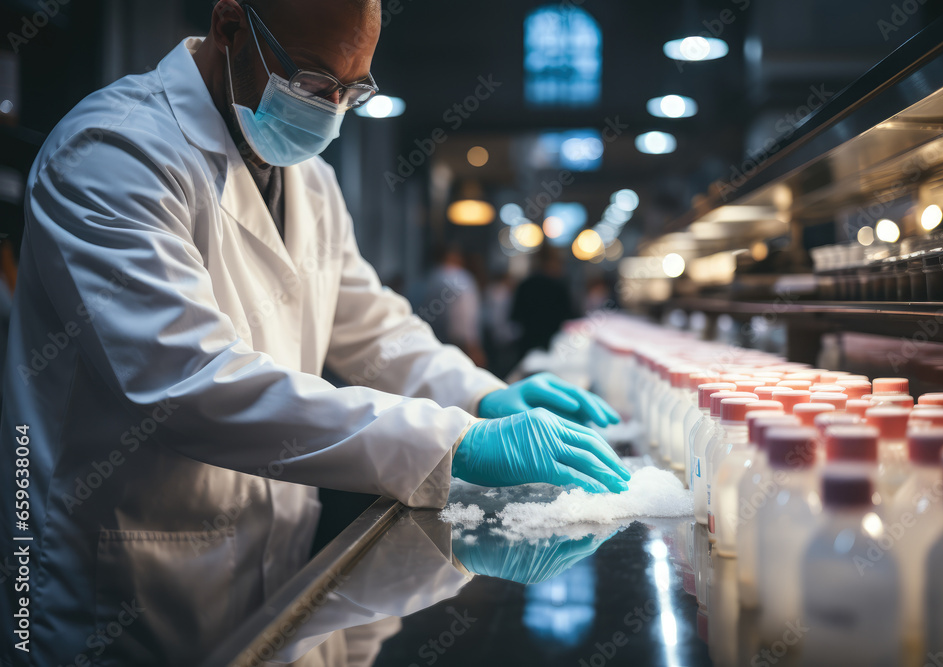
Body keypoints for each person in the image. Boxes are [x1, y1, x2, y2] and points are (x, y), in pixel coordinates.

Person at [0, 1, 628, 664]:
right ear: (230, 26)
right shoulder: (114, 153)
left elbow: (372, 328)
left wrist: (482, 396)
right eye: (311, 80)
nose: (331, 108)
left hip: (275, 571)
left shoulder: (313, 181)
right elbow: (187, 383)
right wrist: (456, 442)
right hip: (124, 582)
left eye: (353, 89)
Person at [417, 244, 486, 367]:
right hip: (458, 343)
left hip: (429, 340)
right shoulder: (461, 277)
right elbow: (464, 314)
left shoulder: (429, 278)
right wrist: (473, 347)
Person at [511, 243, 577, 357]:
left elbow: (515, 316)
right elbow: (569, 316)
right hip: (554, 346)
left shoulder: (526, 285)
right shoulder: (559, 286)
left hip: (528, 345)